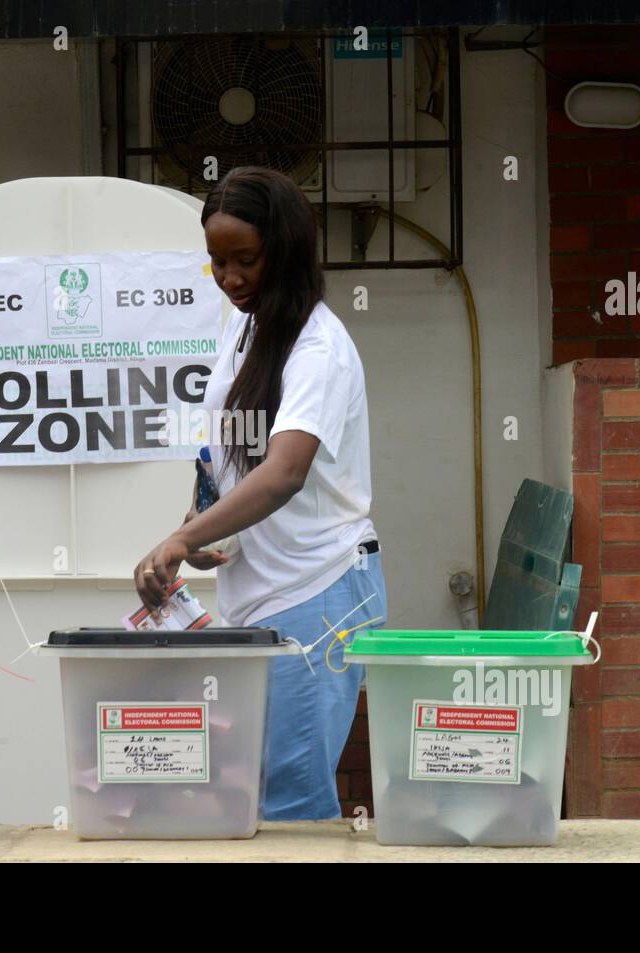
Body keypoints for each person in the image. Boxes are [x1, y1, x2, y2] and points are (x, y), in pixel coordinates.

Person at [133, 166, 388, 820]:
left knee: (291, 805)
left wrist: (183, 536)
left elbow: (284, 471)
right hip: (260, 592)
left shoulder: (318, 346)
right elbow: (231, 454)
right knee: (252, 796)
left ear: (286, 249)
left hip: (318, 593)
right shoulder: (246, 328)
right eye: (217, 261)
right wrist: (201, 525)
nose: (229, 277)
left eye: (244, 259)